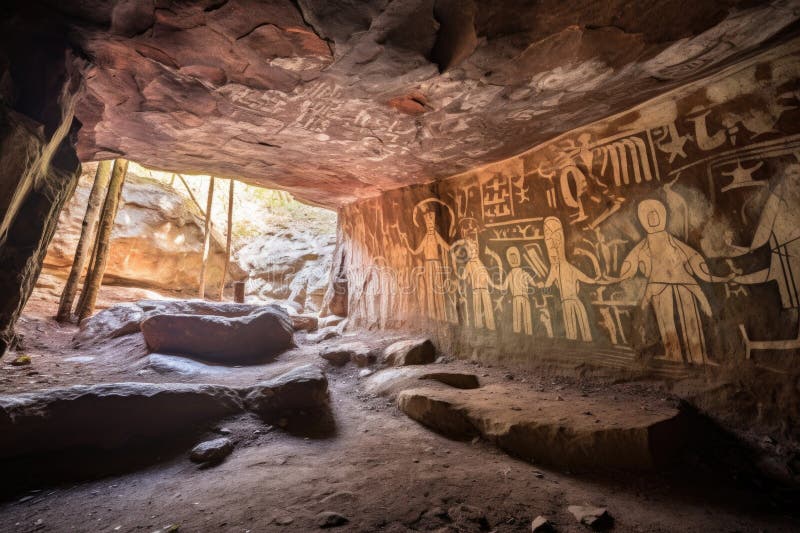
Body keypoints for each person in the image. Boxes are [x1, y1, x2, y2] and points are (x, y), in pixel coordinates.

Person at [612, 200, 733, 364]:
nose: (653, 218)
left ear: (663, 216)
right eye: (648, 215)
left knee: (691, 319)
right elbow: (631, 263)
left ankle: (698, 355)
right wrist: (619, 277)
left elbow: (693, 257)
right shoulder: (644, 245)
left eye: (656, 214)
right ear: (643, 219)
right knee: (665, 320)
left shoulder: (672, 241)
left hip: (683, 282)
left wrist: (710, 275)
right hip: (658, 286)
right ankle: (672, 353)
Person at [540, 217, 595, 341]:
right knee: (571, 328)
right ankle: (575, 343)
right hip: (566, 302)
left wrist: (598, 281)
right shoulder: (554, 269)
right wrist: (542, 290)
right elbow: (547, 286)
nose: (553, 244)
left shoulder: (569, 267)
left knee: (583, 321)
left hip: (574, 300)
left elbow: (586, 278)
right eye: (548, 238)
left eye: (556, 237)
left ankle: (588, 341)